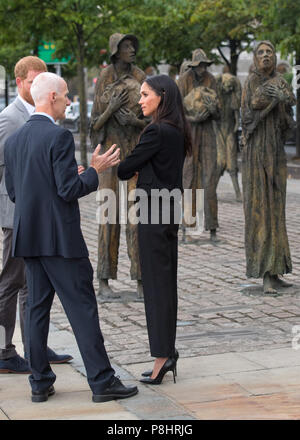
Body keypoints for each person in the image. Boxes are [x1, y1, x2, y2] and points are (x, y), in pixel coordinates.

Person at [4, 72, 138, 403]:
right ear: (51, 97)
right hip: (61, 242)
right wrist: (94, 170)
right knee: (82, 309)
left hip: (29, 239)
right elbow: (68, 190)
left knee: (36, 311)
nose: (69, 101)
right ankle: (102, 381)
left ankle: (39, 383)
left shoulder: (15, 141)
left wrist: (71, 175)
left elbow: (16, 192)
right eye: (65, 96)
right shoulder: (59, 137)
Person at [118, 74, 192, 384]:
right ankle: (166, 353)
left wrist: (136, 166)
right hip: (168, 213)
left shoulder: (156, 132)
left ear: (161, 96)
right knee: (165, 283)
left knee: (157, 287)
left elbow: (123, 170)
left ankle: (163, 356)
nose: (140, 100)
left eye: (145, 94)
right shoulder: (177, 131)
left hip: (152, 214)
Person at [0, 56, 72, 374]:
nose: (39, 86)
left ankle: (35, 348)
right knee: (11, 281)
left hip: (36, 214)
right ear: (19, 82)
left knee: (34, 286)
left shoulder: (42, 116)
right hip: (14, 213)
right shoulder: (9, 118)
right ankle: (3, 351)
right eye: (32, 81)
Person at [90, 33, 147, 298]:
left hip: (134, 153)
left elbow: (152, 118)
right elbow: (94, 126)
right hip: (110, 157)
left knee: (137, 218)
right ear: (115, 51)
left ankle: (140, 279)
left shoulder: (140, 77)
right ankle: (104, 280)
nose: (131, 50)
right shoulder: (104, 77)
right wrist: (111, 109)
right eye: (126, 46)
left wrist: (134, 123)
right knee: (108, 217)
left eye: (133, 46)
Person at [241, 41, 295, 294]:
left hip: (275, 152)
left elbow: (288, 124)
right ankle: (263, 272)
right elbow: (249, 110)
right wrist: (272, 98)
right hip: (256, 154)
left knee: (276, 210)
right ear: (254, 58)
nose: (265, 56)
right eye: (261, 53)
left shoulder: (281, 80)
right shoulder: (251, 81)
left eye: (269, 52)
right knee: (259, 210)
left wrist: (283, 103)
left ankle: (276, 270)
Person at [177, 49, 220, 241]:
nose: (202, 69)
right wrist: (193, 118)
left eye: (205, 65)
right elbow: (175, 112)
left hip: (208, 134)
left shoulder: (212, 80)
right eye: (199, 65)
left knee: (209, 181)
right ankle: (187, 227)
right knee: (189, 178)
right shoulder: (184, 80)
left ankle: (212, 228)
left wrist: (213, 110)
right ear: (193, 66)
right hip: (190, 133)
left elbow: (220, 112)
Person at [215, 72, 242, 202]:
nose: (230, 88)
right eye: (228, 85)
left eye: (232, 86)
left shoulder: (233, 98)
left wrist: (237, 127)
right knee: (220, 162)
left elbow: (237, 118)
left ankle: (238, 193)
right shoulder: (217, 96)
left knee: (232, 162)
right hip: (219, 131)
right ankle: (211, 190)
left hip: (230, 131)